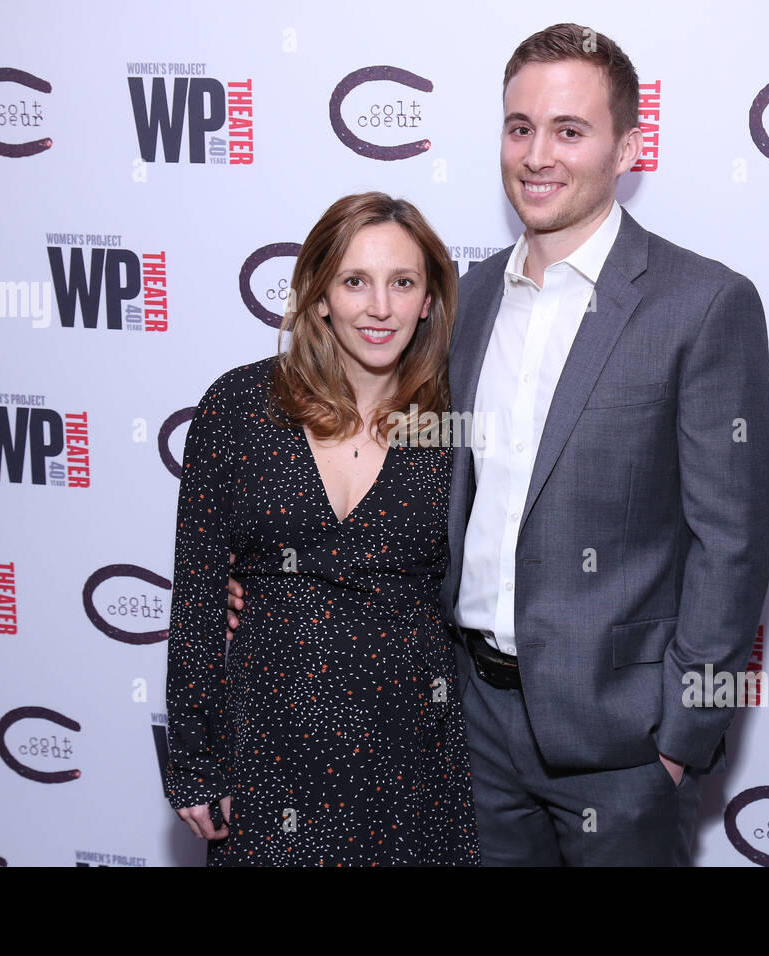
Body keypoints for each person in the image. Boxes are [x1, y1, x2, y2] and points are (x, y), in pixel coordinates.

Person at [441, 23, 769, 865]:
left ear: (627, 146)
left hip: (625, 746)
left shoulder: (702, 304)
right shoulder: (471, 295)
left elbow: (732, 542)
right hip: (475, 722)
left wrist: (681, 739)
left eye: (569, 130)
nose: (537, 155)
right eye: (520, 128)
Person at [162, 192, 480, 866]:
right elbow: (195, 597)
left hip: (411, 754)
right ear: (320, 294)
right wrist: (194, 763)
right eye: (355, 281)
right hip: (266, 753)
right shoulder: (239, 407)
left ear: (429, 300)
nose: (380, 306)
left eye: (403, 282)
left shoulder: (458, 420)